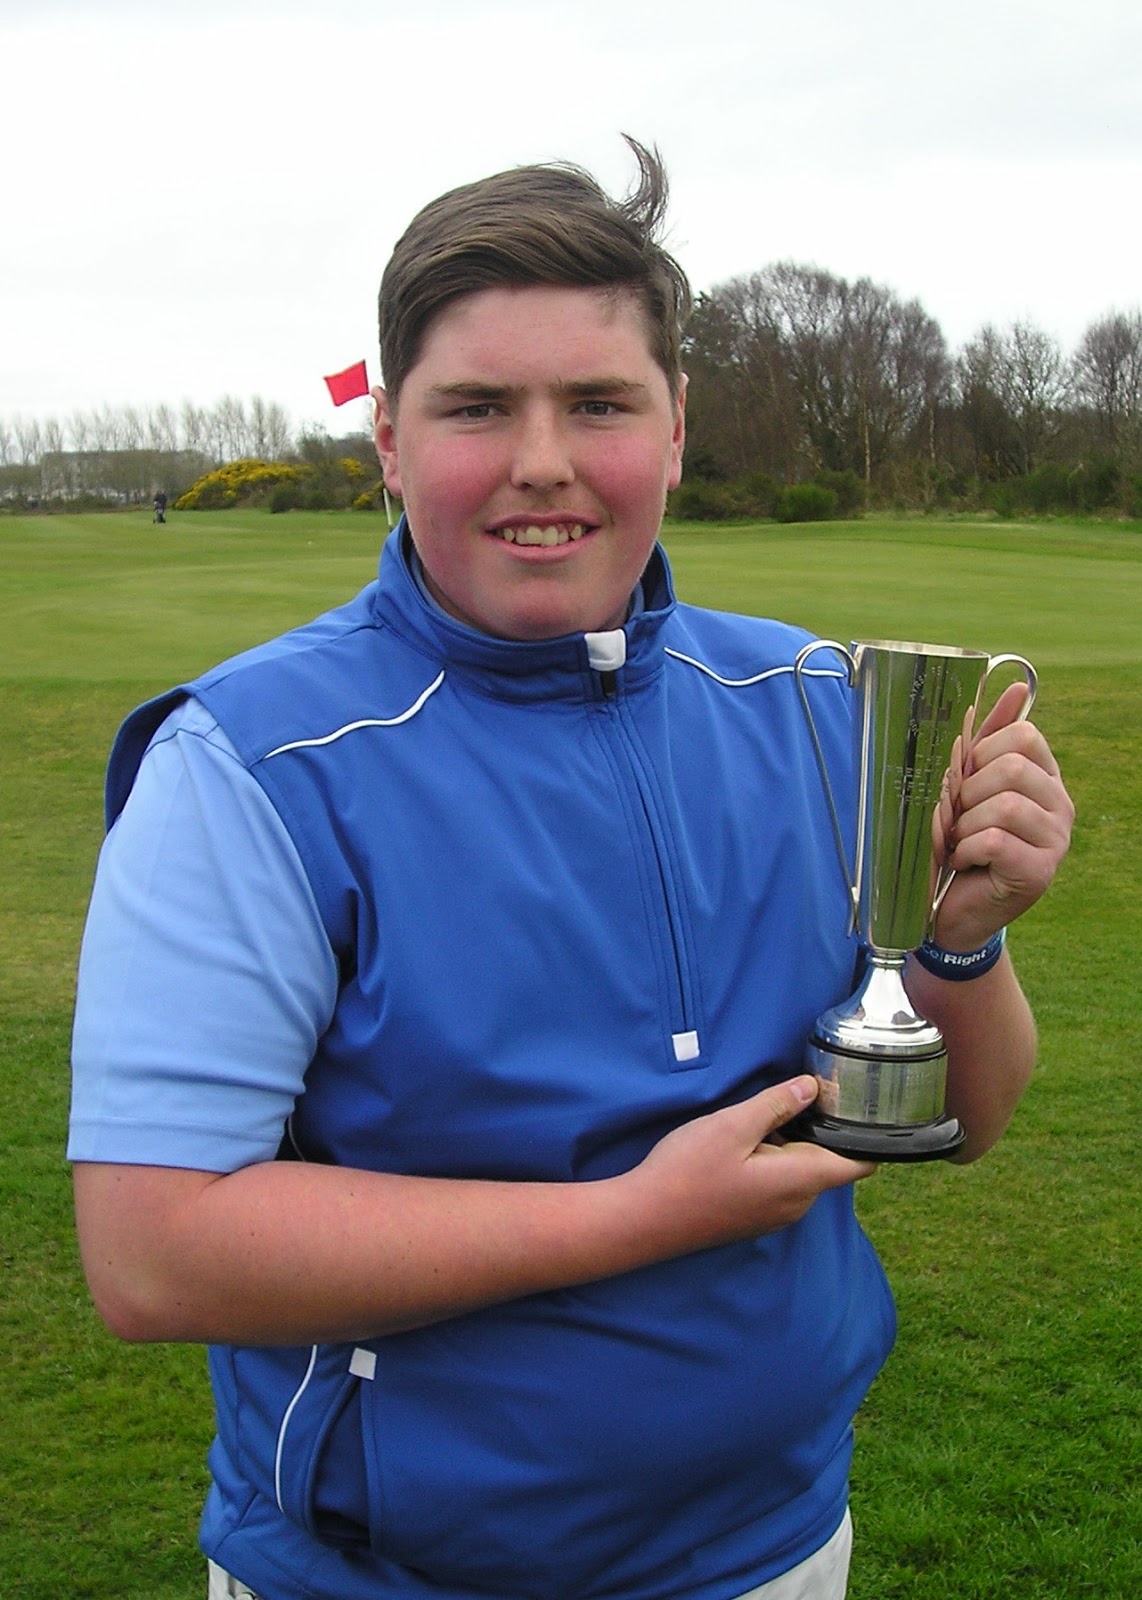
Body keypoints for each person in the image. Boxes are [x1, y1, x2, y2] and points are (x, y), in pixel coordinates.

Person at [69, 139, 1073, 1600]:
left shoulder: (811, 703)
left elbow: (965, 1120)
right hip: (389, 1579)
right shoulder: (249, 765)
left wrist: (962, 942)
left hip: (780, 1549)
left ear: (674, 429)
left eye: (598, 402)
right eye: (476, 406)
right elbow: (154, 1254)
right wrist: (633, 1218)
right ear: (390, 440)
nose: (541, 459)